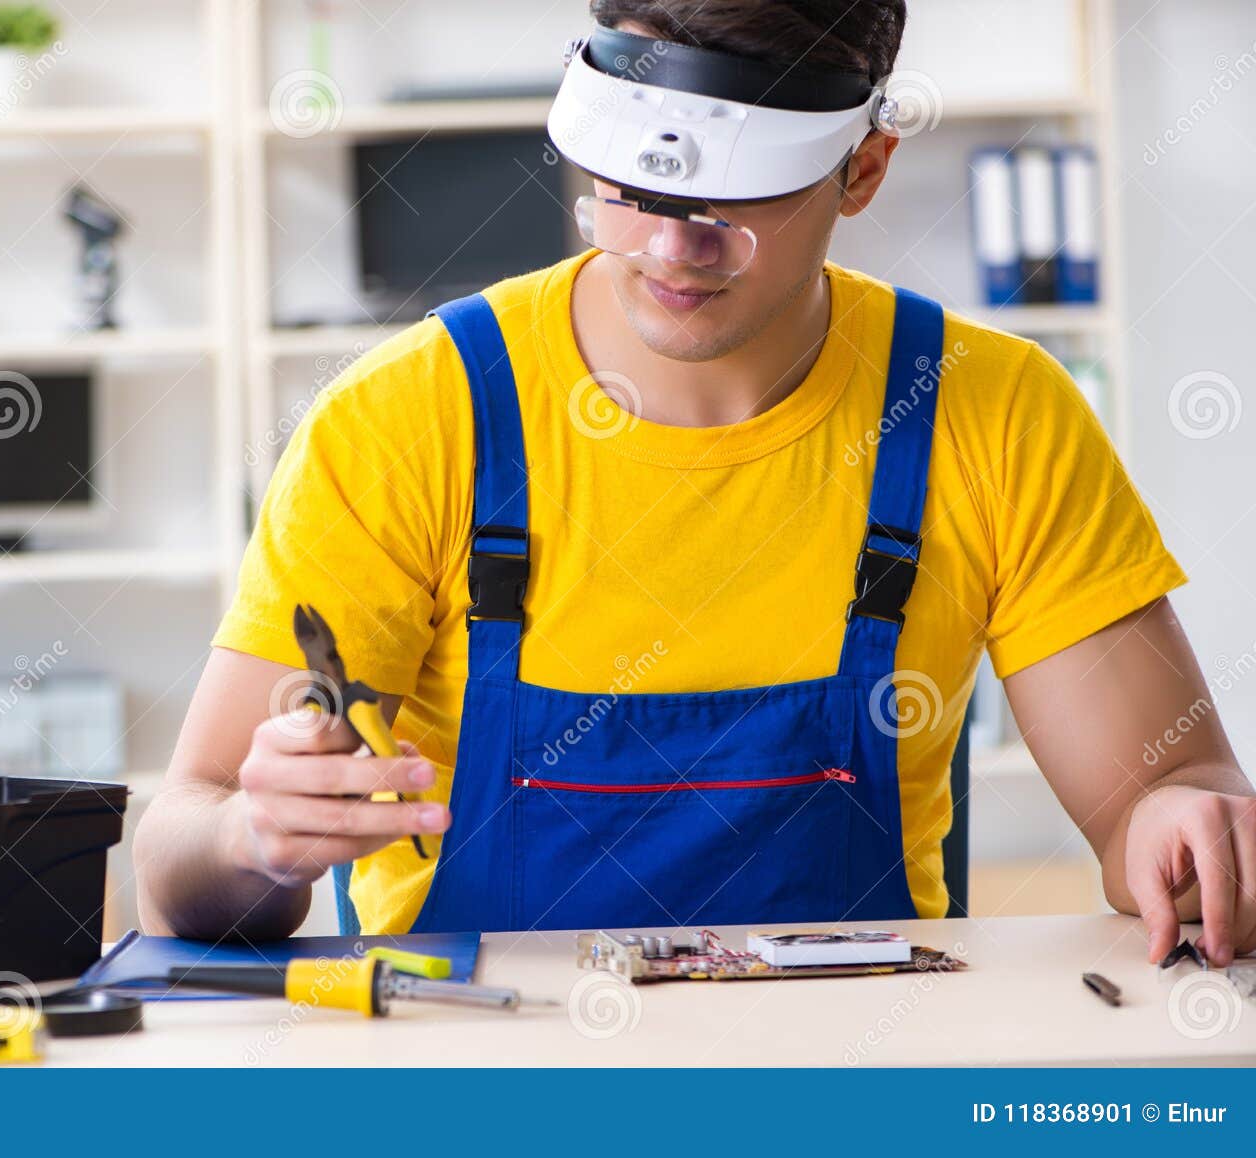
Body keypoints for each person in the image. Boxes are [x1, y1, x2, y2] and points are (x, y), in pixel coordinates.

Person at [136, 0, 1256, 964]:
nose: (673, 250)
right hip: (483, 1085)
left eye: (736, 201)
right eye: (632, 189)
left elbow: (1169, 800)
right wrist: (252, 840)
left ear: (861, 167)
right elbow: (178, 855)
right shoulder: (406, 419)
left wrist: (1187, 827)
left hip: (857, 1081)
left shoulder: (993, 409)